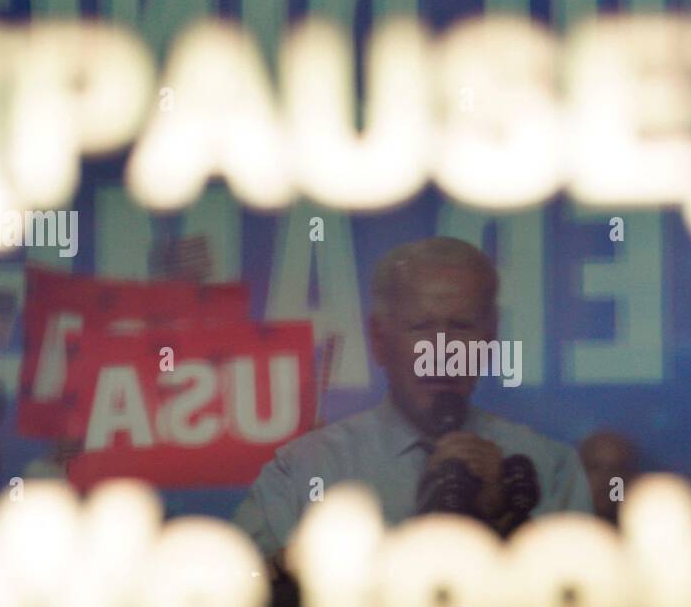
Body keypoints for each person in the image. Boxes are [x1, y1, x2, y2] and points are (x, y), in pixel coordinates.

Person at [233, 236, 592, 566]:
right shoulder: (305, 471)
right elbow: (236, 598)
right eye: (420, 326)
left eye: (462, 326)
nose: (441, 351)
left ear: (491, 337)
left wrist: (507, 523)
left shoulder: (552, 468)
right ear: (379, 338)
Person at [578, 430, 640, 526]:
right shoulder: (556, 529)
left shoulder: (643, 533)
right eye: (595, 467)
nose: (605, 479)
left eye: (616, 469)